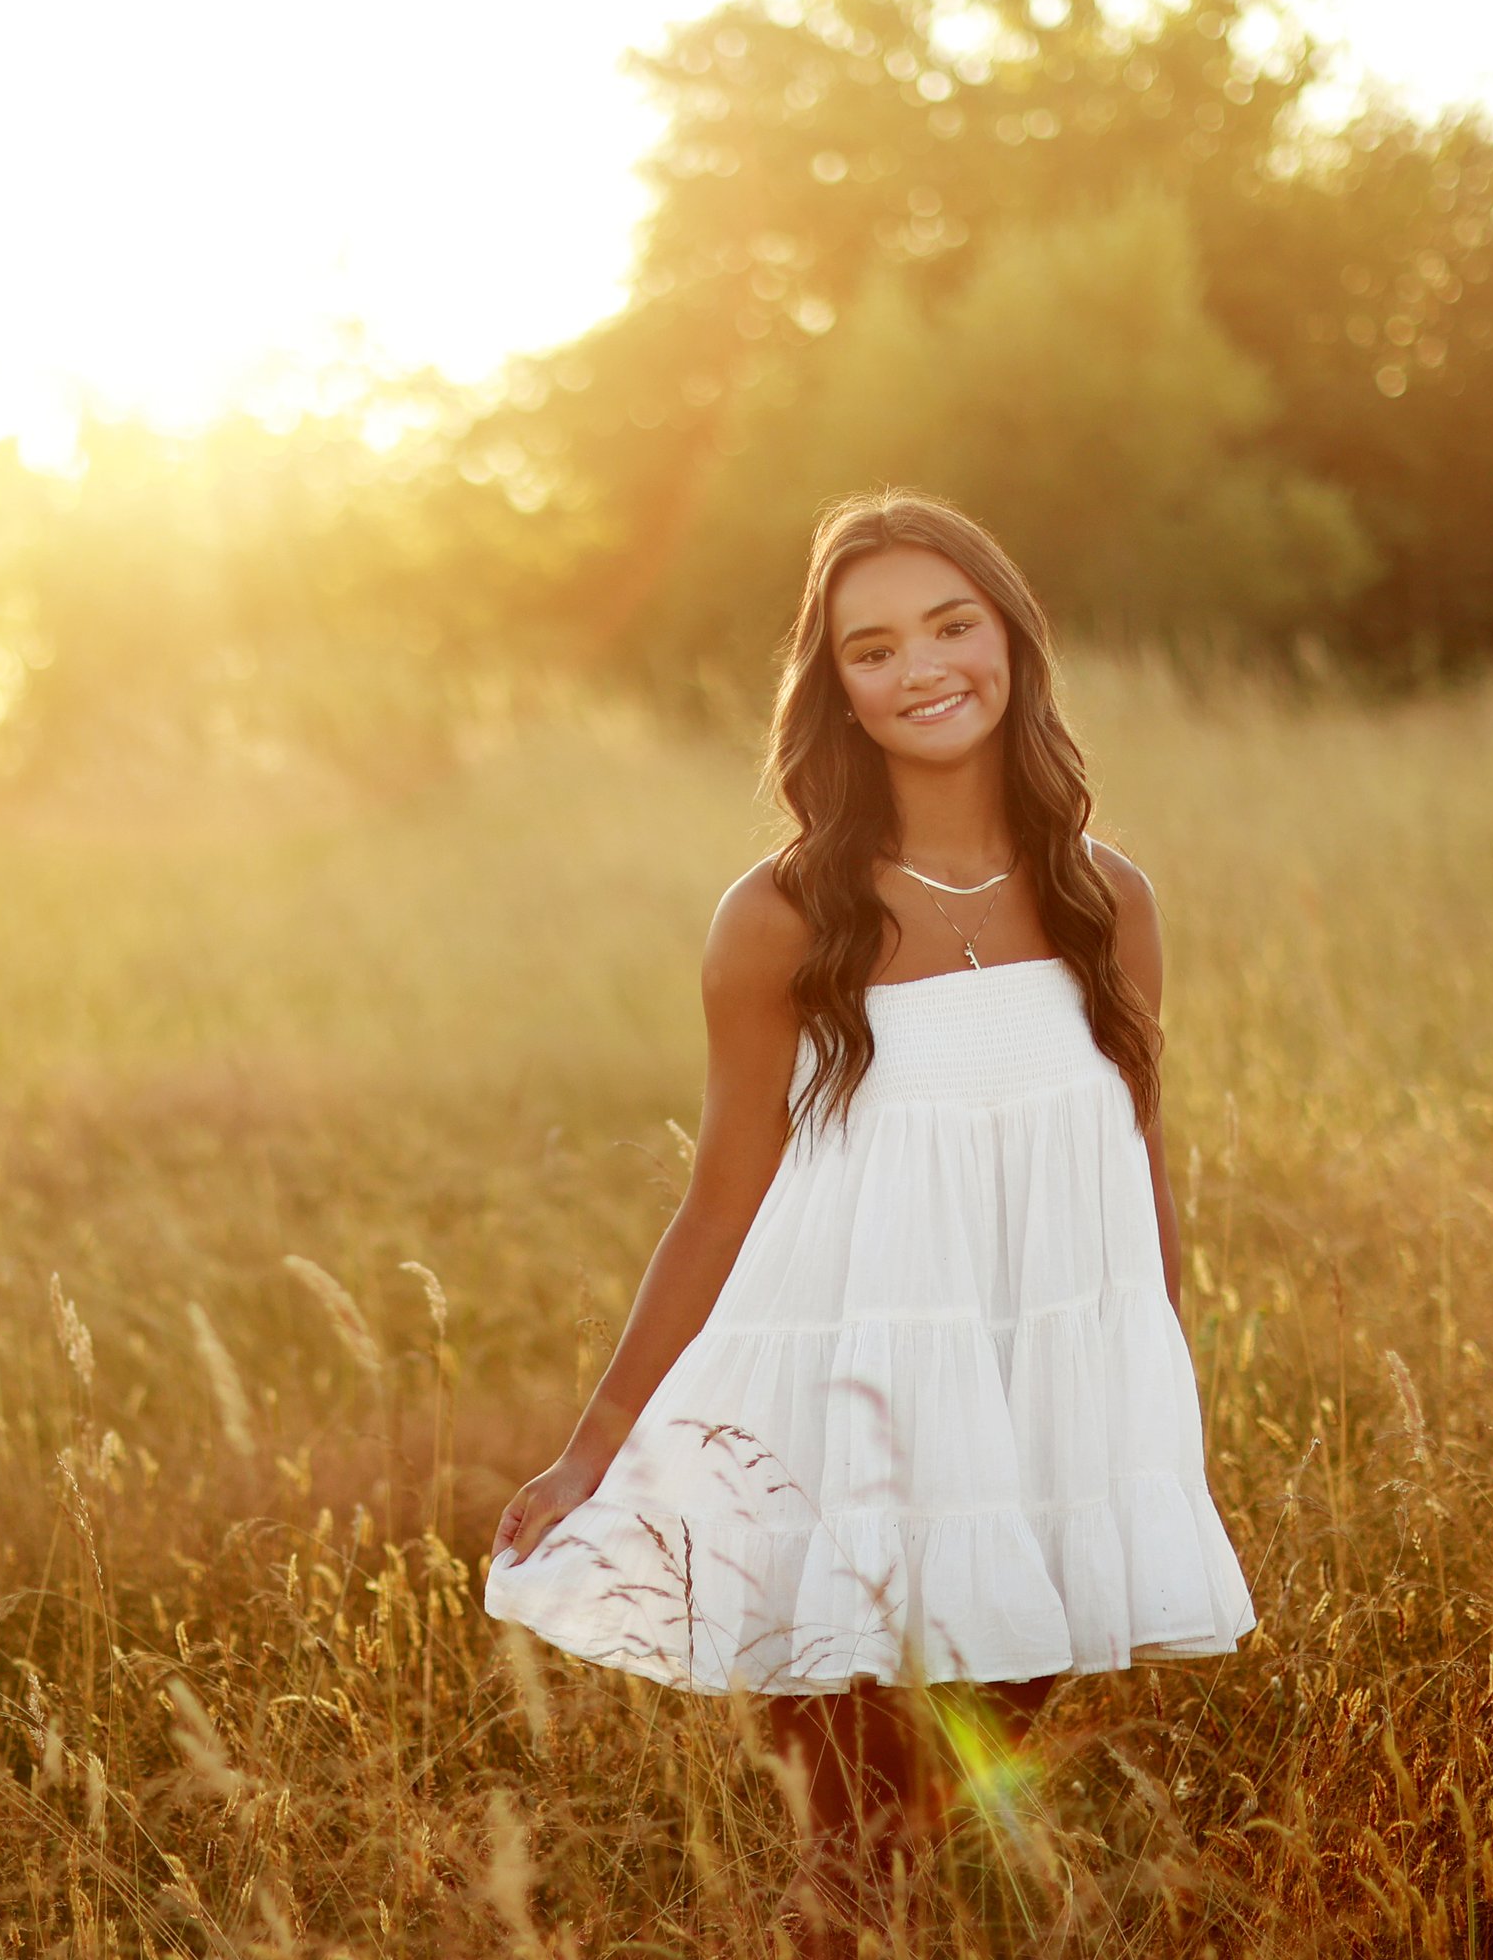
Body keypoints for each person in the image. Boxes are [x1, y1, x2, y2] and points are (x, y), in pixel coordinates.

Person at [481, 486, 1257, 1946]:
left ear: (1012, 641)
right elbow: (723, 1196)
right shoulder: (779, 917)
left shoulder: (1107, 898)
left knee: (965, 1777)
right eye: (874, 647)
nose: (924, 668)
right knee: (850, 1845)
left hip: (1042, 1397)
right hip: (838, 1407)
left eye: (952, 625)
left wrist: (1153, 1377)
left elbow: (1136, 1153)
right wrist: (597, 1444)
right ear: (834, 690)